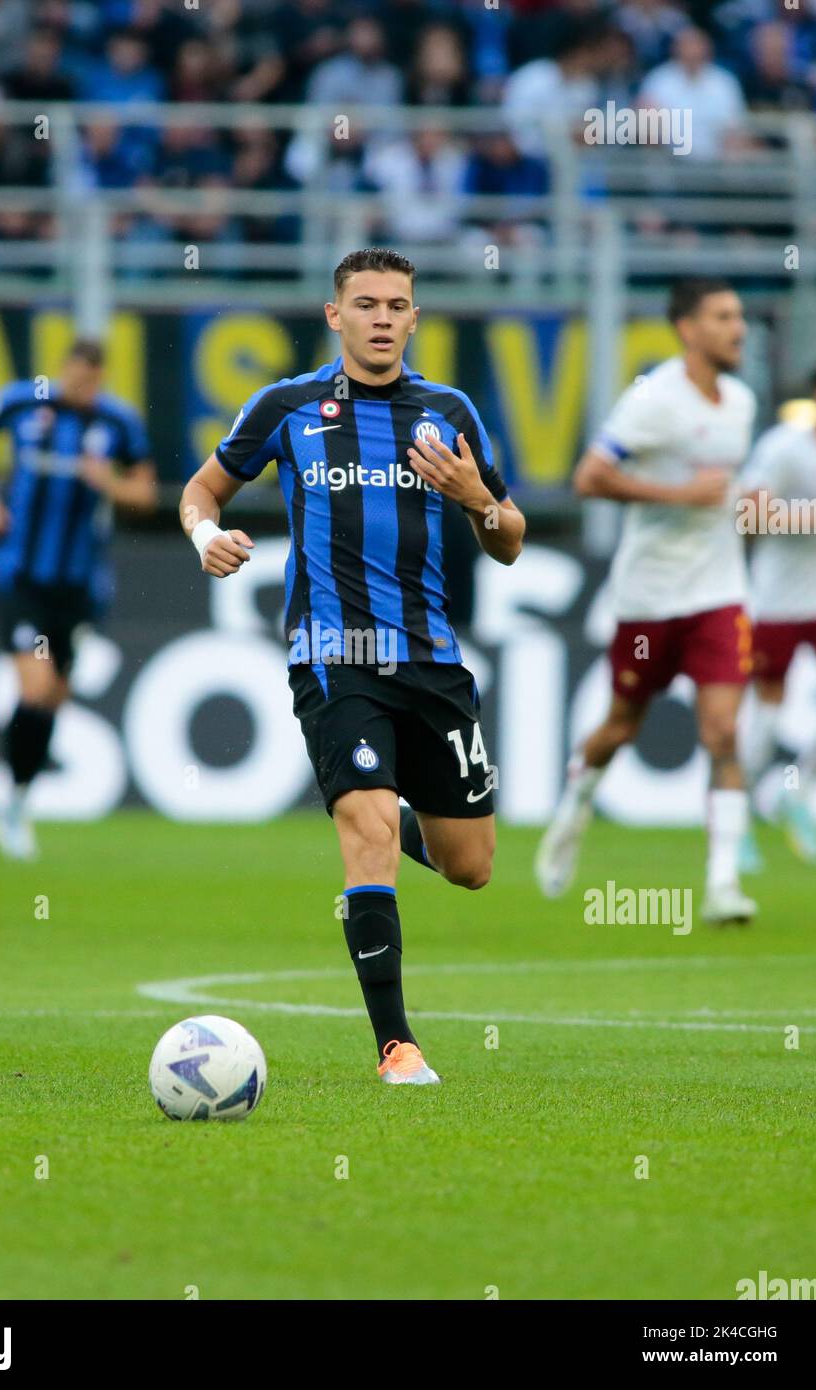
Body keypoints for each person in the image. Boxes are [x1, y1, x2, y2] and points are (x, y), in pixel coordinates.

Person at [181, 247, 525, 1085]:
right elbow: (201, 490)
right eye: (364, 303)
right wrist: (203, 537)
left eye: (396, 304)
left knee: (468, 866)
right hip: (334, 658)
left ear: (414, 319)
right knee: (366, 836)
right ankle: (395, 1045)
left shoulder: (448, 413)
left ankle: (368, 808)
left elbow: (510, 539)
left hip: (432, 659)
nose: (380, 317)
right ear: (334, 316)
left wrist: (476, 498)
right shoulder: (286, 408)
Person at [535, 278, 758, 925]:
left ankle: (721, 883)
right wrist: (679, 497)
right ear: (688, 329)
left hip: (719, 593)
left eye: (738, 315)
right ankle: (575, 803)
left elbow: (726, 491)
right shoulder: (654, 400)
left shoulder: (740, 402)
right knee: (620, 725)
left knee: (721, 731)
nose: (737, 328)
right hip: (648, 599)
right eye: (722, 316)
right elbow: (589, 475)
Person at [0, 339, 156, 859]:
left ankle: (16, 797)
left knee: (53, 698)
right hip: (19, 575)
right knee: (37, 683)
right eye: (76, 377)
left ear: (102, 379)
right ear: (63, 370)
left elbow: (145, 494)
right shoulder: (22, 403)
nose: (82, 387)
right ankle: (11, 796)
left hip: (79, 587)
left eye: (92, 380)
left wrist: (109, 483)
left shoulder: (117, 424)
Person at [738, 363, 816, 867]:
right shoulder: (784, 448)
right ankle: (742, 808)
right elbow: (748, 514)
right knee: (768, 709)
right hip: (778, 601)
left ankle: (800, 790)